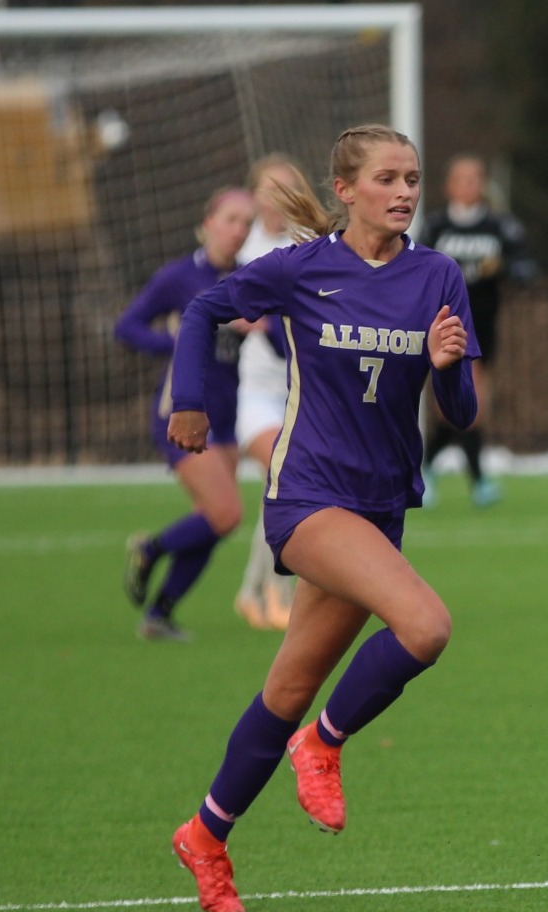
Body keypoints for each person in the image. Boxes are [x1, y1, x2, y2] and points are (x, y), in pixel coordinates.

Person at [166, 124, 478, 912]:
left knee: (289, 686)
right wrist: (191, 403)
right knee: (426, 627)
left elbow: (462, 411)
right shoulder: (303, 267)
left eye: (412, 177)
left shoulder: (438, 274)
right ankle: (324, 742)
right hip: (308, 497)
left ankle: (205, 834)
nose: (405, 191)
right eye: (387, 178)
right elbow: (202, 311)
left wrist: (447, 369)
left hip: (381, 507)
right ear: (346, 189)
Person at [118, 187, 258, 641]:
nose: (239, 230)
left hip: (226, 415)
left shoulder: (248, 279)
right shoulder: (179, 276)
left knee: (213, 521)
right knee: (226, 514)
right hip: (181, 412)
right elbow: (127, 327)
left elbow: (276, 341)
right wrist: (178, 340)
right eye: (231, 219)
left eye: (247, 222)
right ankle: (150, 547)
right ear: (209, 221)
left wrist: (265, 325)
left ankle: (159, 615)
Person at [418, 153, 535, 508]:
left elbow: (526, 268)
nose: (470, 185)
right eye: (463, 179)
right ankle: (478, 481)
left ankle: (425, 469)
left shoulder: (498, 226)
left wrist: (502, 268)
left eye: (476, 179)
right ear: (449, 186)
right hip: (444, 328)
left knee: (458, 407)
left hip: (482, 327)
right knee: (467, 402)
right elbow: (417, 272)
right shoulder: (436, 227)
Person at [230, 153, 313, 632]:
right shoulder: (244, 249)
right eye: (269, 187)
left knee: (282, 489)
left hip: (303, 392)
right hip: (257, 392)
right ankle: (277, 592)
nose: (278, 197)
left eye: (287, 187)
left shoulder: (309, 245)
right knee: (283, 479)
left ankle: (251, 592)